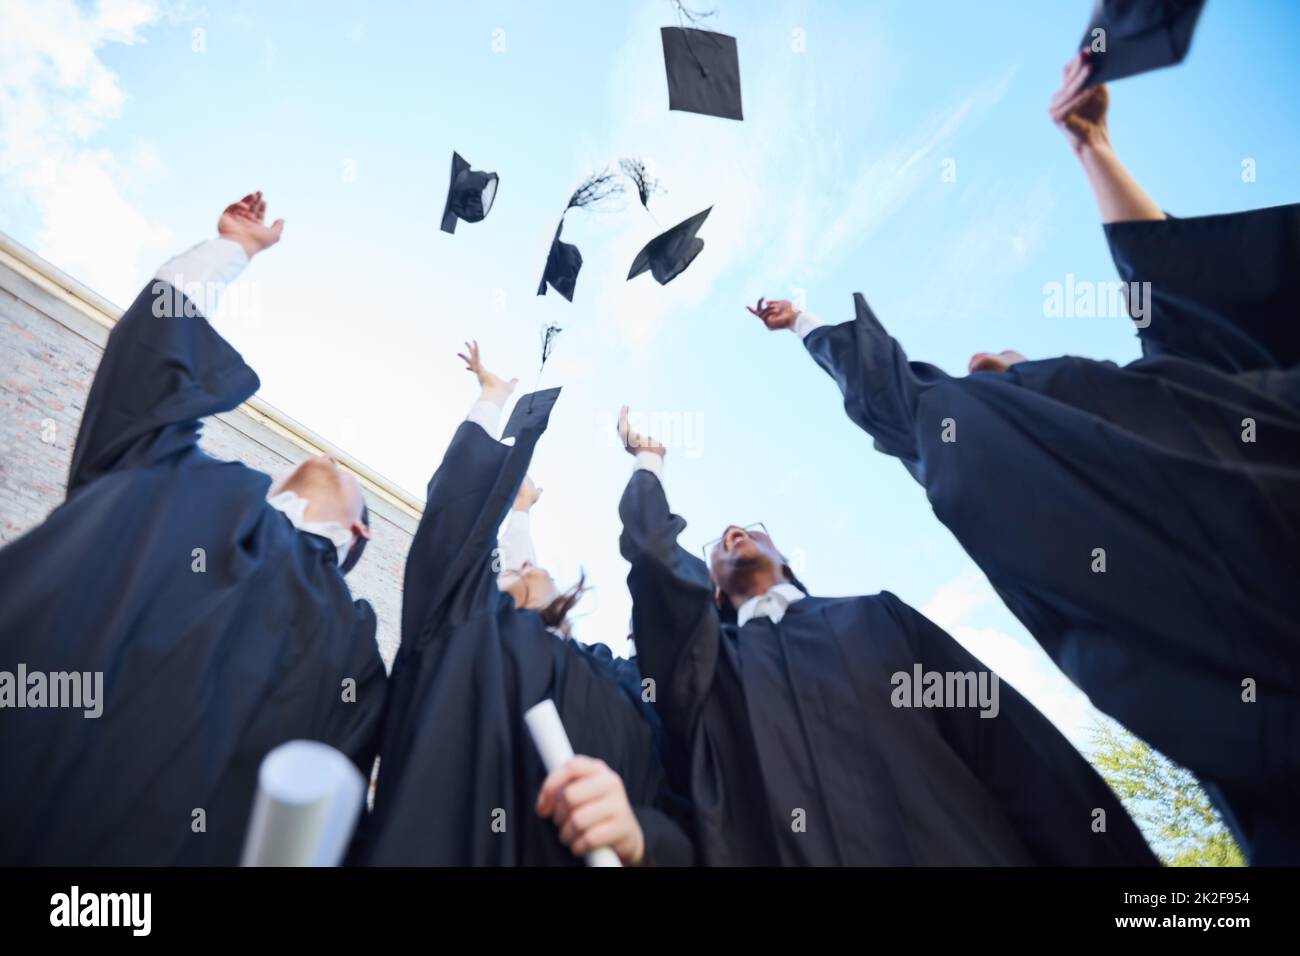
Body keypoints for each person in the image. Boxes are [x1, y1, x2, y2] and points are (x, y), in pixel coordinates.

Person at [738, 59, 1300, 863]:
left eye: (999, 359)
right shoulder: (998, 441)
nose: (978, 356)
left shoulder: (1156, 394)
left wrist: (1096, 150)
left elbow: (1179, 302)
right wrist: (806, 325)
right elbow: (897, 398)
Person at [0, 193, 387, 865]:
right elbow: (148, 362)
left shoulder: (350, 646)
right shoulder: (173, 472)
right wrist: (231, 250)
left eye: (346, 472)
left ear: (360, 533)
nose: (330, 457)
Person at [615, 409, 1156, 866]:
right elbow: (656, 563)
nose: (735, 534)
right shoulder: (709, 671)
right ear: (707, 593)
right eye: (721, 542)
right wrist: (650, 459)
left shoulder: (876, 619)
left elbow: (1018, 753)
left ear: (786, 557)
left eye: (750, 528)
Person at [352, 344, 694, 866]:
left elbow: (665, 591)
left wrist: (641, 837)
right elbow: (460, 516)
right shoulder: (461, 626)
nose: (524, 566)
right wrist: (493, 400)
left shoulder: (630, 689)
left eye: (527, 566)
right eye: (507, 571)